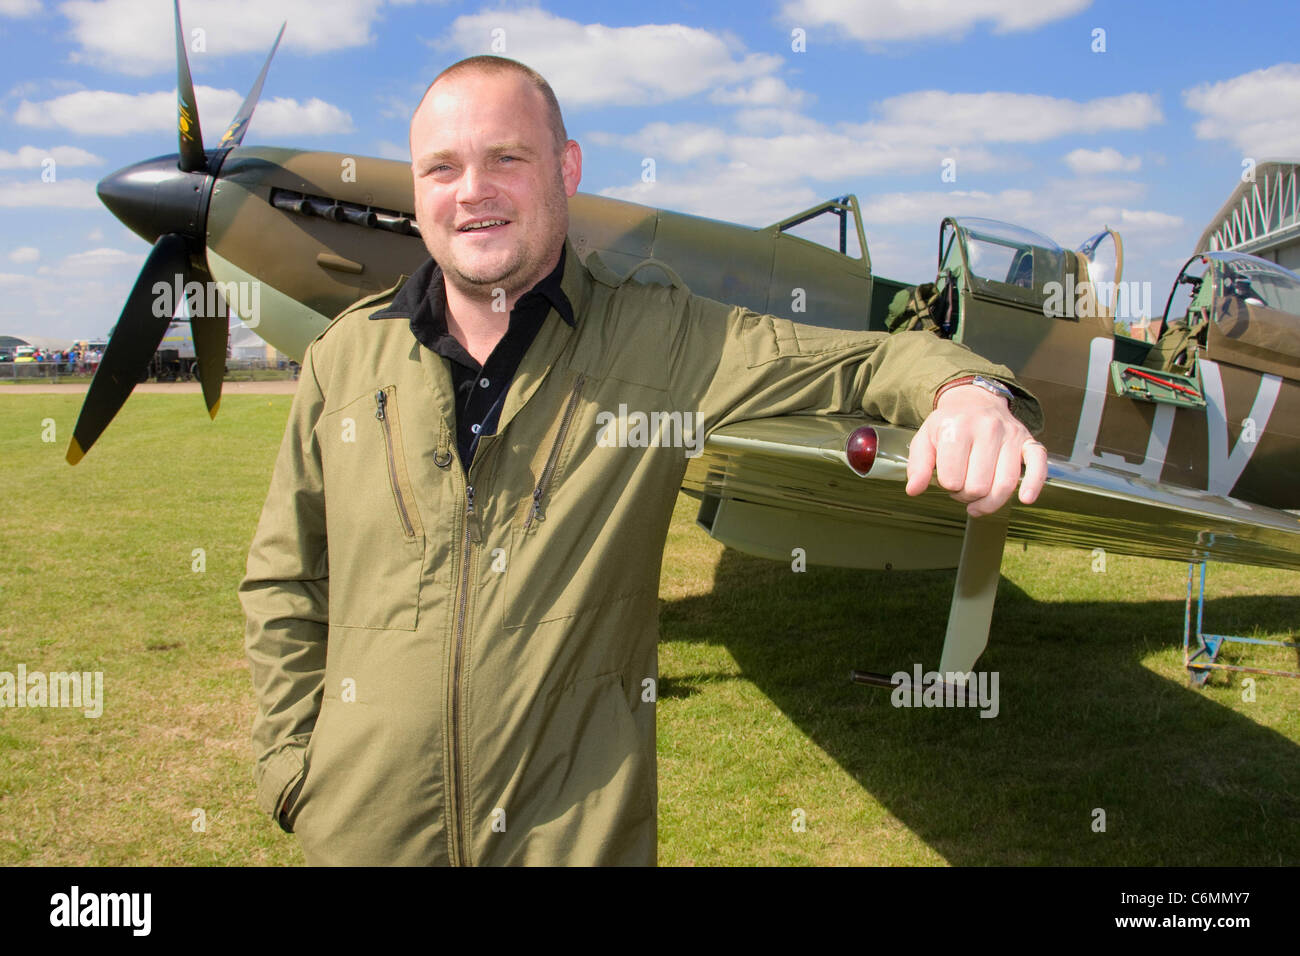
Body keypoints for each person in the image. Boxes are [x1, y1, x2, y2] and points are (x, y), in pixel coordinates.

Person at [240, 55, 1048, 866]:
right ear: (416, 190)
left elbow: (862, 361)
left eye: (506, 159)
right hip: (362, 841)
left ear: (567, 167)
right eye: (441, 168)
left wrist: (970, 391)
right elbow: (286, 577)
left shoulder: (663, 341)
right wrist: (295, 773)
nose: (471, 191)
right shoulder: (341, 360)